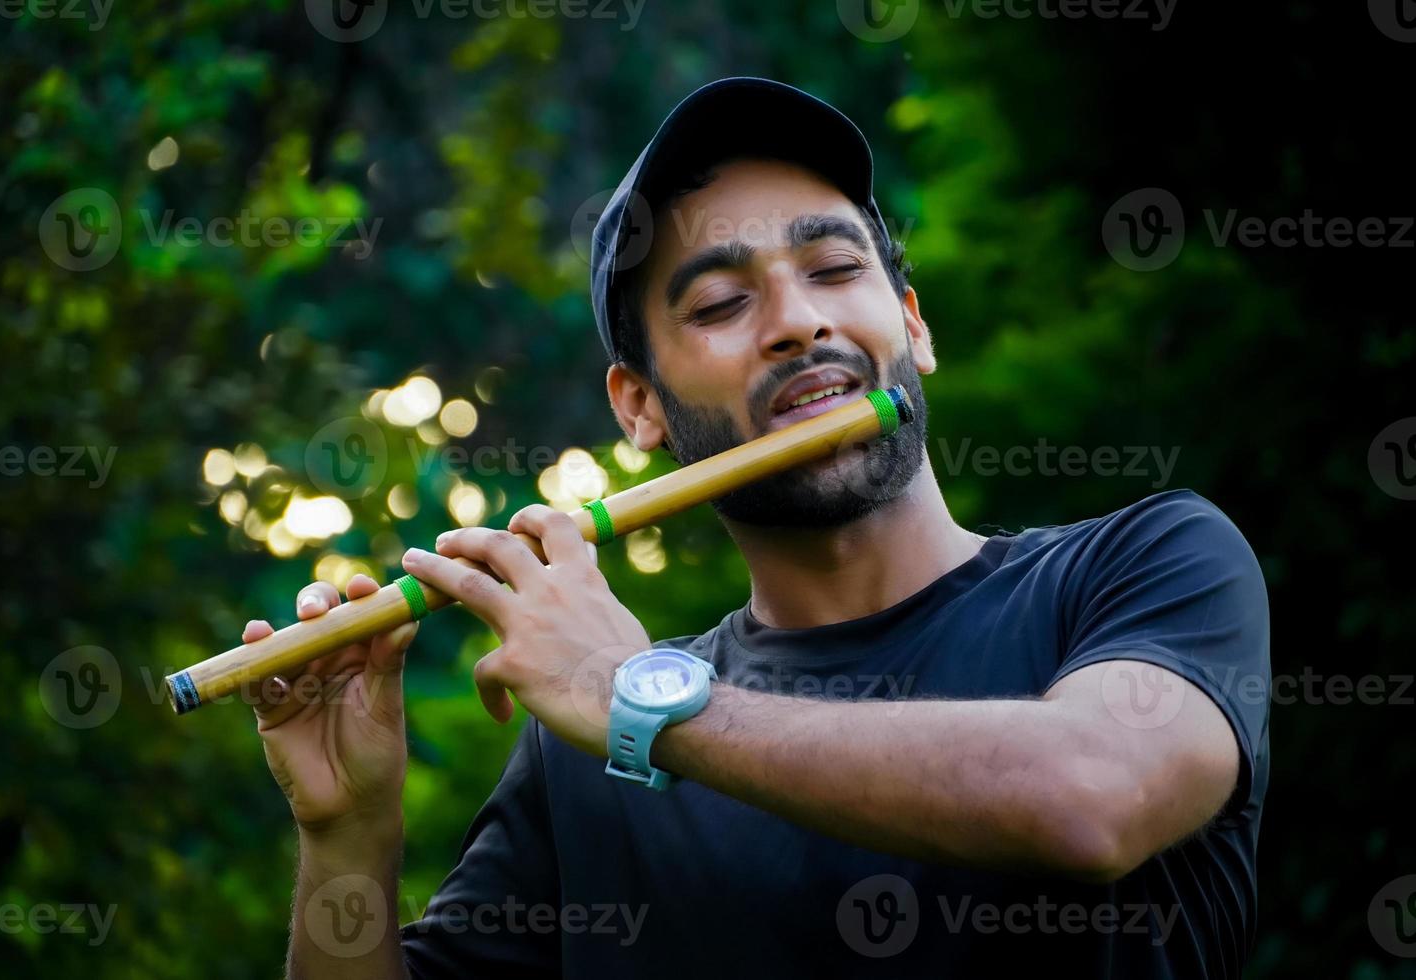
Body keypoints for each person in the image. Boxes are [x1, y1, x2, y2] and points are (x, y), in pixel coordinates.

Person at [245, 77, 1270, 978]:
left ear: (910, 322)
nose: (798, 320)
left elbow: (1090, 797)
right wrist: (347, 834)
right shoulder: (582, 752)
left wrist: (636, 698)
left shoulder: (1146, 564)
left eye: (834, 270)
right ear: (639, 407)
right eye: (723, 301)